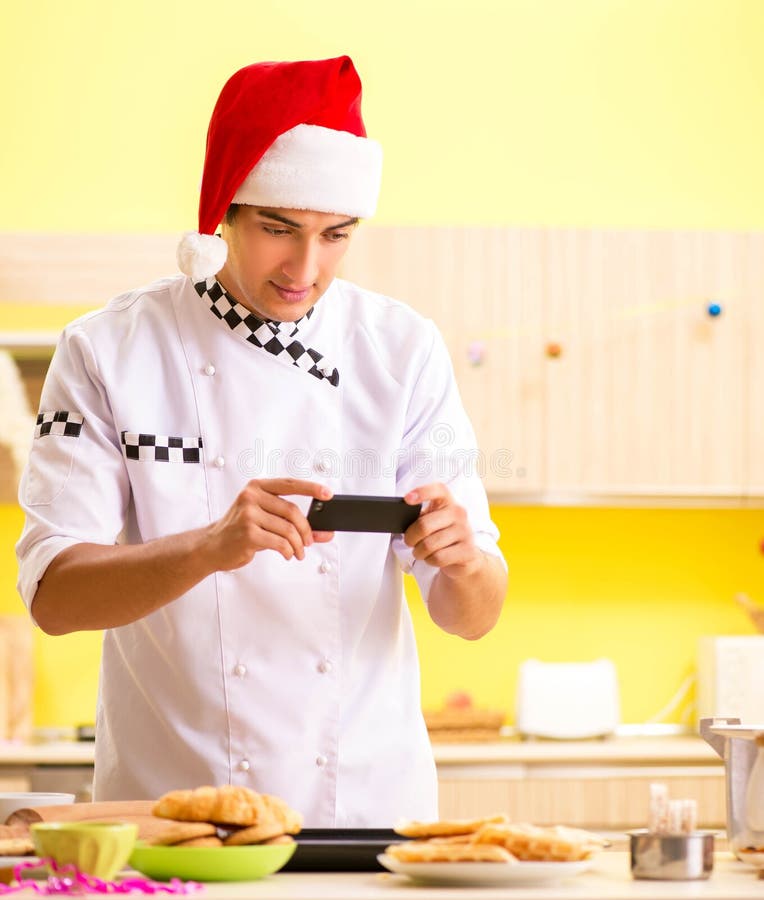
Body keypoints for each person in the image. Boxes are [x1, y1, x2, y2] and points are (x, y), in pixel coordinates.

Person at [16, 56, 507, 827]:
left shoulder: (401, 349)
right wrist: (210, 546)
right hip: (177, 812)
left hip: (368, 816)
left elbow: (473, 614)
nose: (305, 269)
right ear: (224, 211)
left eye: (335, 236)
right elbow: (54, 597)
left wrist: (465, 559)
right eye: (279, 229)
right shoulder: (109, 350)